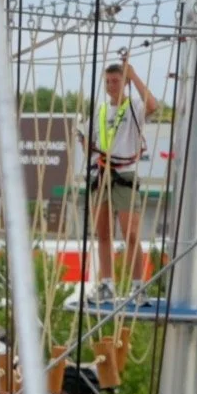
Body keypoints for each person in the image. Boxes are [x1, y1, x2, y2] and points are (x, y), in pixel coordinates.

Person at [85, 59, 160, 297]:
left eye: (116, 81)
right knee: (103, 233)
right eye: (107, 81)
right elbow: (89, 141)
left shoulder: (133, 106)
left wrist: (134, 76)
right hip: (102, 173)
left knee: (131, 233)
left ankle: (138, 286)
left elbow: (153, 105)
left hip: (124, 173)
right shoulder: (100, 111)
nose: (111, 86)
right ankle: (107, 283)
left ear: (124, 82)